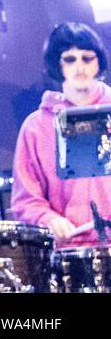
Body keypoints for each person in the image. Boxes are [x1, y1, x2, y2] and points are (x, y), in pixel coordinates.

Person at [10, 22, 111, 246]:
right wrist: (48, 219)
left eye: (87, 58)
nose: (80, 67)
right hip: (71, 254)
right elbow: (25, 200)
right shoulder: (35, 127)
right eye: (70, 59)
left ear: (99, 62)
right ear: (57, 65)